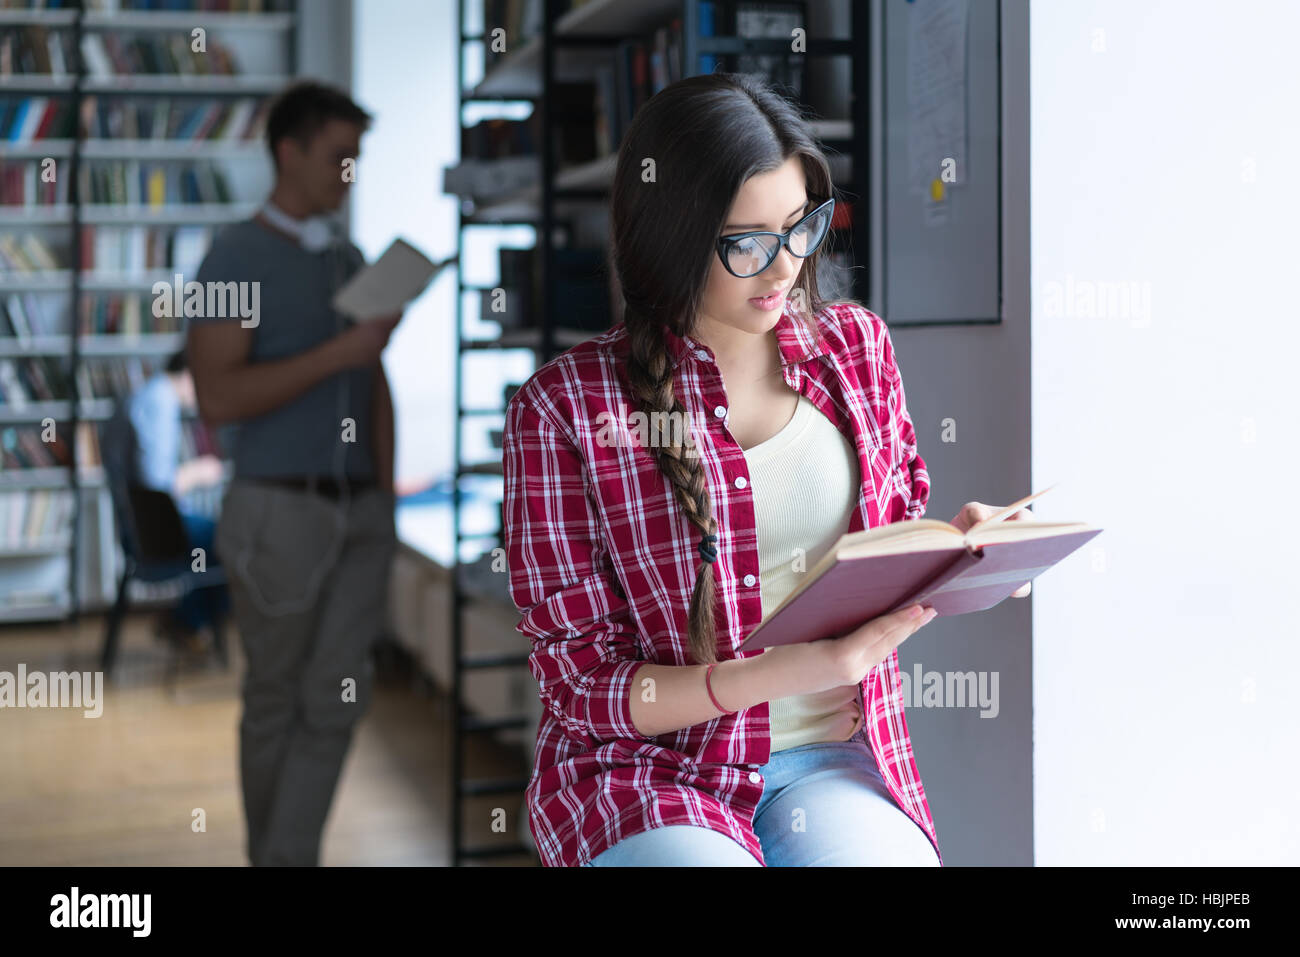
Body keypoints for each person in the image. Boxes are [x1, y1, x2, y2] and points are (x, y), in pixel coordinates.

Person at [501, 73, 1034, 868]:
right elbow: (583, 687)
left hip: (834, 760)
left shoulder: (856, 349)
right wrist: (778, 671)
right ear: (670, 237)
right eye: (747, 243)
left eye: (801, 226)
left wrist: (969, 554)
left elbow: (883, 550)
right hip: (648, 772)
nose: (784, 267)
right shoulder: (563, 408)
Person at [184, 80, 401, 867]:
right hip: (278, 512)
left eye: (357, 159)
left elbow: (371, 382)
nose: (350, 173)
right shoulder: (234, 256)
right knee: (275, 699)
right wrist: (341, 351)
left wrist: (383, 490)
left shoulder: (347, 256)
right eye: (339, 157)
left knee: (337, 700)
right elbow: (218, 396)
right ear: (290, 151)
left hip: (360, 511)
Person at [126, 348, 229, 650]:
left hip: (146, 524)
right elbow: (157, 486)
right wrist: (197, 472)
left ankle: (187, 619)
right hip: (158, 529)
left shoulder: (150, 396)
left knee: (221, 536)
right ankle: (189, 621)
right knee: (230, 538)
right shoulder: (160, 402)